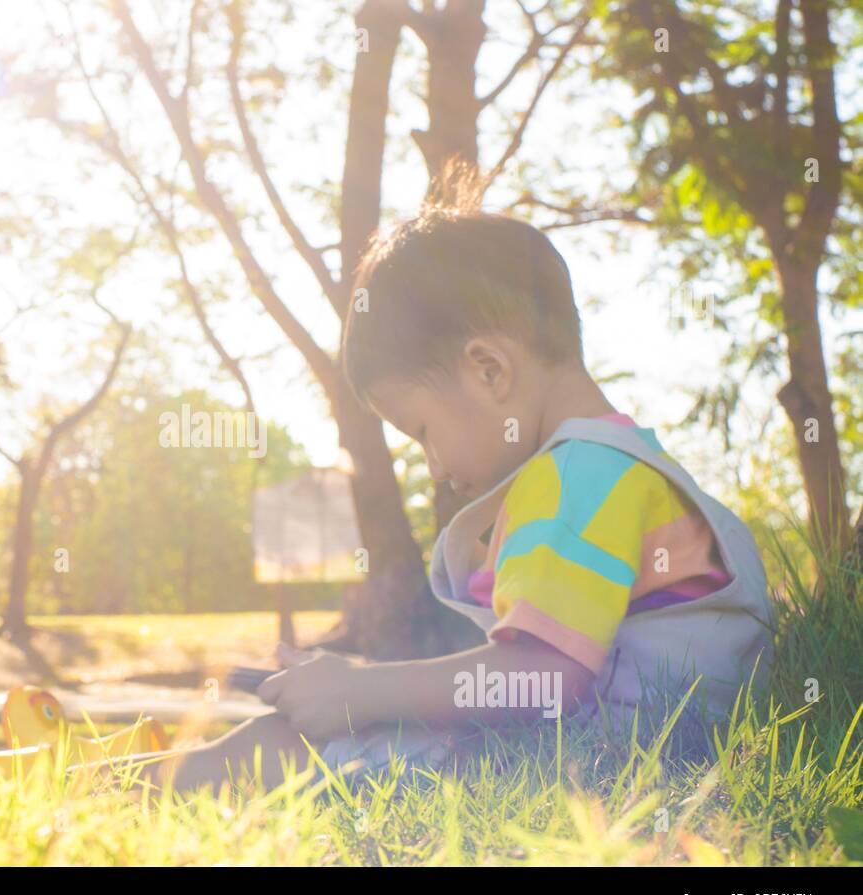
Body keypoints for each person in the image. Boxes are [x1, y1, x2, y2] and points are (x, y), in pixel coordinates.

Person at [142, 209, 774, 793]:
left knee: (290, 744)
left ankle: (135, 787)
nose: (434, 467)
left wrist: (358, 690)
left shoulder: (572, 477)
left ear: (490, 370)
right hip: (639, 755)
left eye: (421, 432)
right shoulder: (630, 466)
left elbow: (540, 679)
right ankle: (139, 775)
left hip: (588, 766)